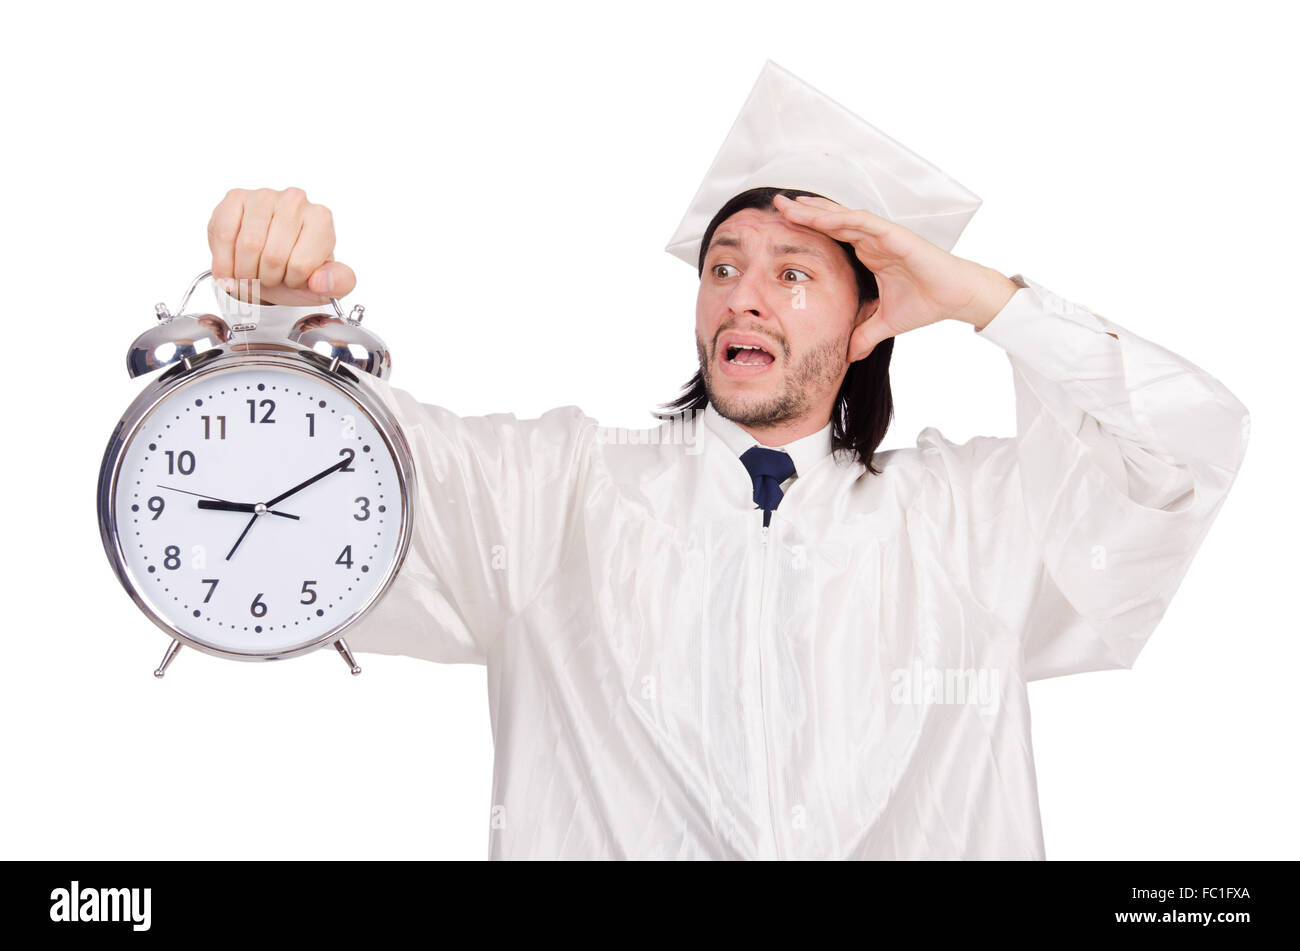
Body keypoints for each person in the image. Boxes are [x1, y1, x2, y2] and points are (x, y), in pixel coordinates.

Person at [204, 63, 1249, 859]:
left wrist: (980, 297)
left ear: (868, 320)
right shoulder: (555, 497)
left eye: (794, 273)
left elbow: (1179, 453)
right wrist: (273, 315)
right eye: (722, 266)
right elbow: (318, 491)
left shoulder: (969, 524)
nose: (742, 293)